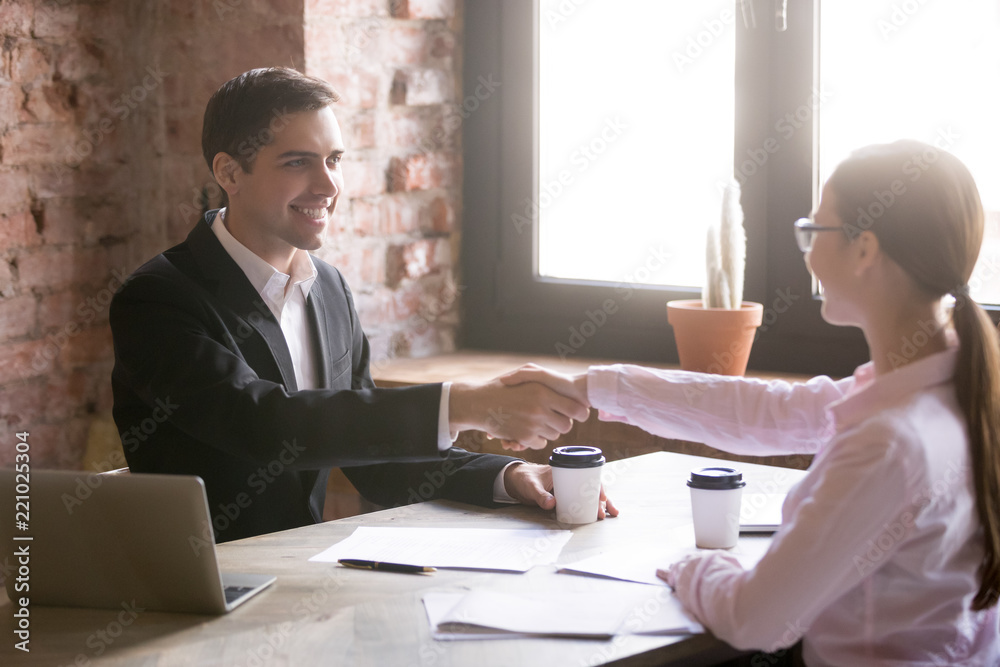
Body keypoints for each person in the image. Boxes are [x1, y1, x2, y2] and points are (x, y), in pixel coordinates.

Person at [501, 141, 1000, 665]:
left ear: (864, 249)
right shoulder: (953, 389)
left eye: (813, 231)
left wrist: (692, 568)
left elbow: (755, 619)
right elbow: (775, 410)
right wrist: (594, 388)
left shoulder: (890, 442)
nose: (804, 251)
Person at [109, 67, 615, 544]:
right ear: (229, 172)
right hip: (195, 594)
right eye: (297, 162)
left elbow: (376, 457)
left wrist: (508, 476)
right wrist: (467, 404)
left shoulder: (328, 289)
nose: (329, 185)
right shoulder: (157, 299)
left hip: (298, 581)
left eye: (333, 159)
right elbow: (263, 425)